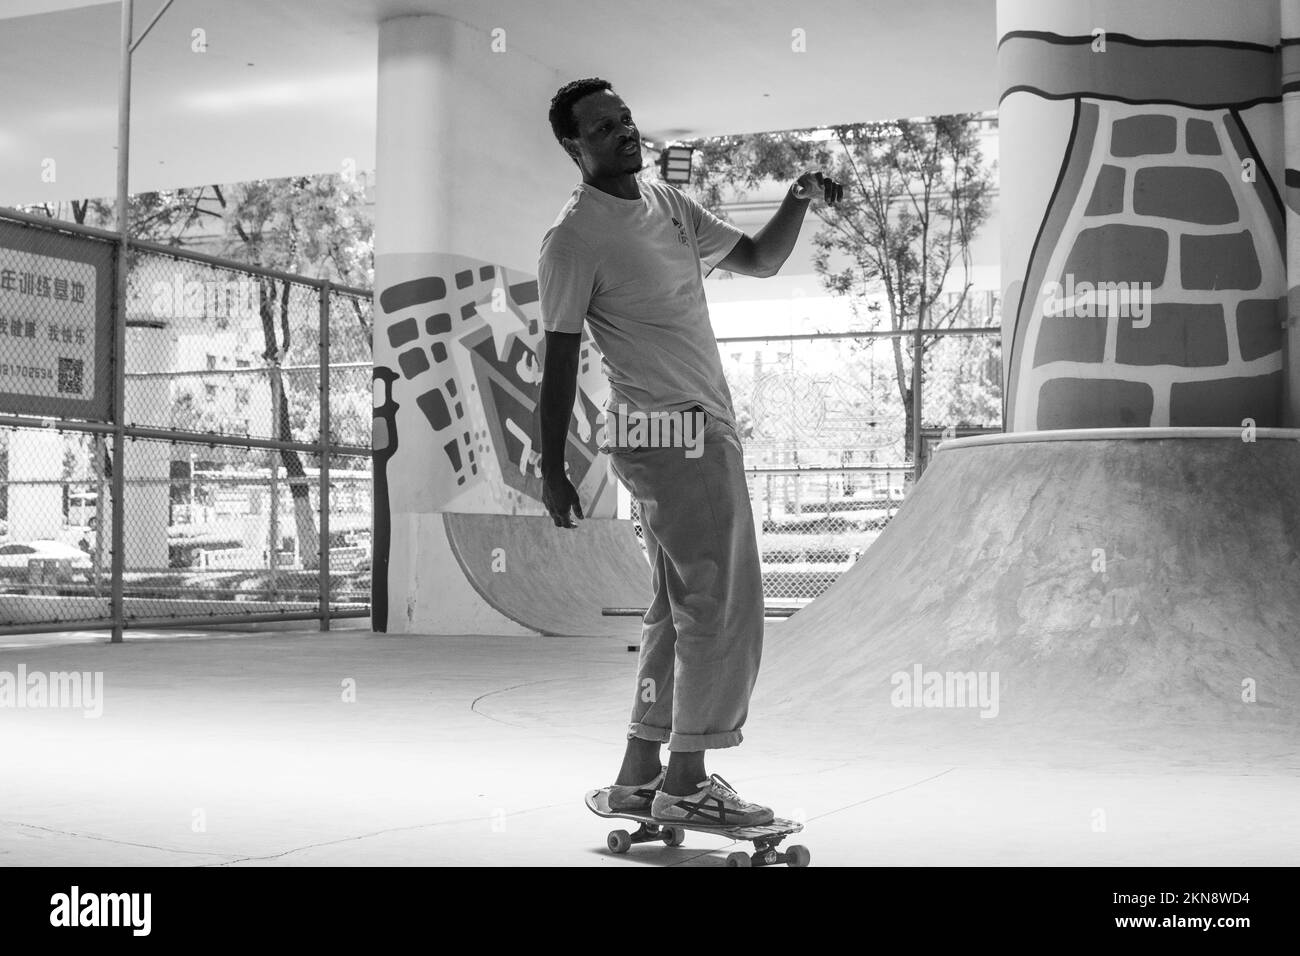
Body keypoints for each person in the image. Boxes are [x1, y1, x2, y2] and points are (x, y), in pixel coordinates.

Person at [536, 77, 841, 827]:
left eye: (626, 118)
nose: (624, 133)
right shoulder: (574, 239)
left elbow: (762, 260)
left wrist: (798, 197)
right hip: (670, 430)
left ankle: (641, 773)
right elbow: (560, 360)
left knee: (677, 607)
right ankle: (689, 780)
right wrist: (552, 471)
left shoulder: (670, 206)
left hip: (693, 427)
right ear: (574, 147)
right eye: (604, 128)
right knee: (724, 605)